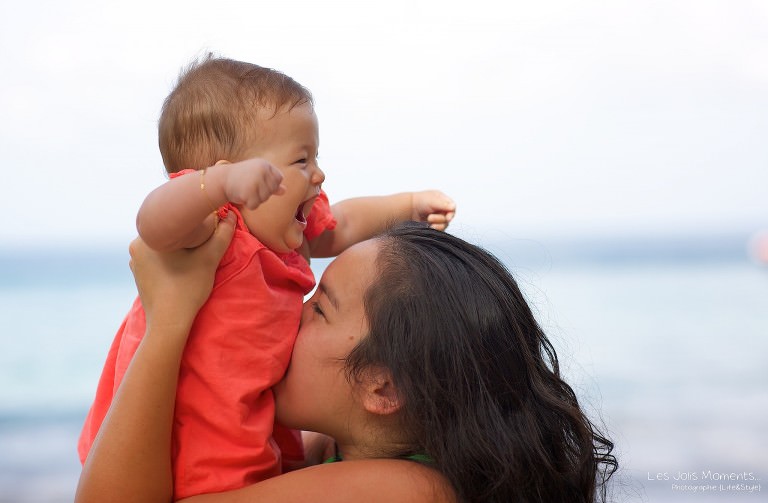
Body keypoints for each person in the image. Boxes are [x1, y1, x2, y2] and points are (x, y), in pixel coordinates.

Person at [77, 56, 456, 499]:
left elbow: (344, 224)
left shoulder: (288, 240)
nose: (319, 174)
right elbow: (153, 225)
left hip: (244, 441)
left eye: (315, 156)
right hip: (183, 445)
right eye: (301, 159)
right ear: (228, 173)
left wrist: (406, 203)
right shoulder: (216, 228)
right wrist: (217, 185)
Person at [76, 220, 617, 503]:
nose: (290, 312)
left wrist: (167, 320)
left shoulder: (406, 491)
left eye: (320, 309)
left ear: (382, 388)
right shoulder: (344, 451)